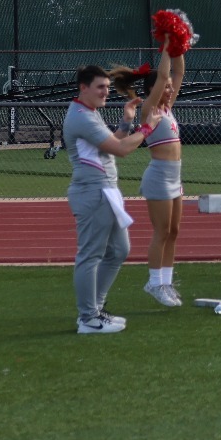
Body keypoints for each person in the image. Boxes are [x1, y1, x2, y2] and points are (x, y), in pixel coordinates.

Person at [65, 64, 149, 333]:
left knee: (118, 250)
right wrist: (147, 129)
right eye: (100, 87)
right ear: (83, 88)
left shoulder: (88, 112)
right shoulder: (81, 116)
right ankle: (88, 318)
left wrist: (127, 121)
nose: (106, 92)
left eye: (108, 88)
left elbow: (110, 143)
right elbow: (121, 149)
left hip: (105, 191)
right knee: (90, 255)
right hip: (93, 191)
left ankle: (96, 310)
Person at [137, 49, 186, 307]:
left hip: (175, 176)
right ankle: (154, 283)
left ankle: (166, 282)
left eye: (169, 87)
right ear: (153, 89)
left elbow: (178, 72)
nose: (170, 89)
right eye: (165, 87)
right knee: (162, 231)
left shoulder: (167, 108)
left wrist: (179, 46)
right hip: (158, 176)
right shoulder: (150, 109)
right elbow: (166, 73)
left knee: (174, 231)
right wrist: (166, 47)